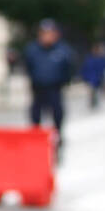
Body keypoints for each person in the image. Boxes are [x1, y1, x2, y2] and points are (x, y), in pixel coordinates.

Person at [23, 19, 75, 153]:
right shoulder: (33, 50)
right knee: (35, 114)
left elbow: (69, 68)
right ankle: (36, 139)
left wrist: (65, 81)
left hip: (55, 87)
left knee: (57, 113)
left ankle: (57, 138)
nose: (46, 36)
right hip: (38, 88)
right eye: (43, 33)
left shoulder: (62, 50)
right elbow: (28, 66)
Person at [80, 42, 105, 110]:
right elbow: (85, 69)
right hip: (91, 78)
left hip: (99, 78)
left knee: (98, 90)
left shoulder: (101, 59)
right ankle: (93, 103)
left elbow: (104, 68)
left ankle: (98, 102)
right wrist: (85, 77)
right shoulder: (89, 59)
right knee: (92, 91)